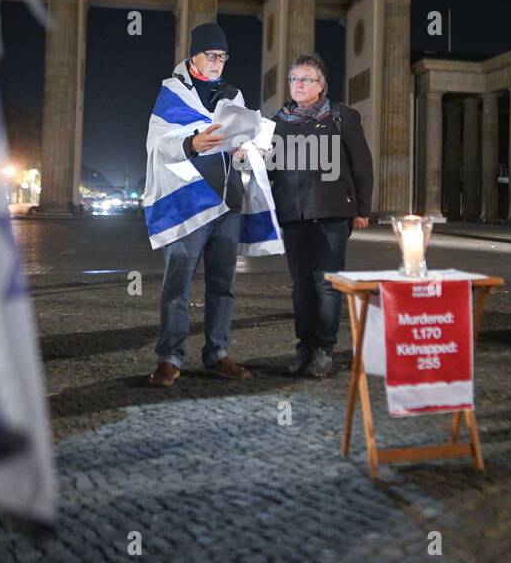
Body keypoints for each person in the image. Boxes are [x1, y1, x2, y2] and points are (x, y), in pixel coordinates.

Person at [142, 22, 282, 387]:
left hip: (227, 204)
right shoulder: (171, 93)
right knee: (178, 285)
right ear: (194, 54)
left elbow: (246, 134)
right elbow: (158, 143)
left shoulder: (232, 95)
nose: (219, 62)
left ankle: (217, 353)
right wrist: (191, 144)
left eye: (223, 56)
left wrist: (245, 146)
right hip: (188, 204)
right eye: (213, 55)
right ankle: (170, 358)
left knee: (223, 283)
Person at [266, 53, 374, 377]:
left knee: (326, 284)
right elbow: (271, 170)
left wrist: (362, 209)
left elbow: (362, 165)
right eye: (294, 79)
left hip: (332, 213)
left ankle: (325, 350)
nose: (298, 85)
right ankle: (305, 347)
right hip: (293, 214)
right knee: (301, 285)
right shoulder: (277, 122)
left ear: (321, 85)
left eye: (306, 79)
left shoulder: (343, 116)